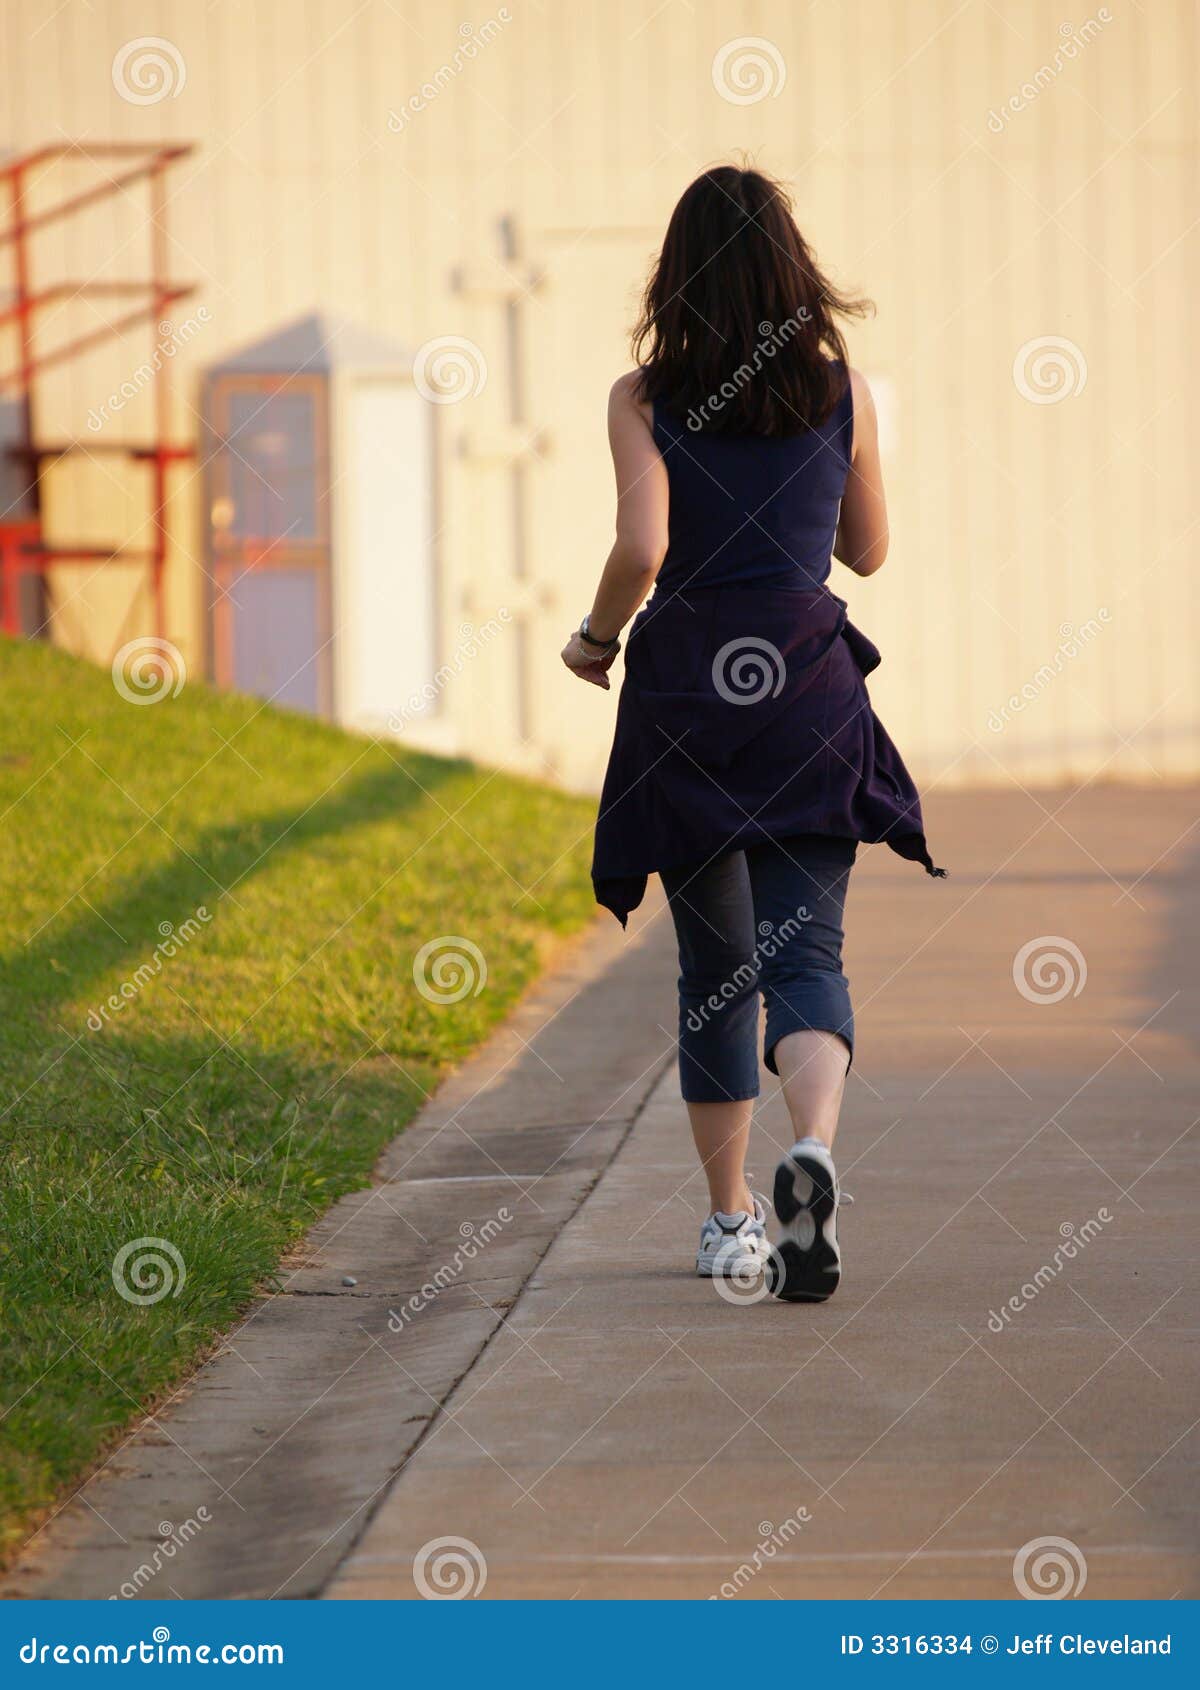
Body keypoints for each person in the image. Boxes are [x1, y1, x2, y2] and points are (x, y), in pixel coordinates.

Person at [561, 165, 943, 1303]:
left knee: (716, 973)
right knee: (806, 957)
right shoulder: (843, 391)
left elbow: (643, 547)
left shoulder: (643, 397)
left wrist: (593, 638)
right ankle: (812, 1148)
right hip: (807, 691)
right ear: (793, 271)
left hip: (689, 697)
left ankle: (731, 1224)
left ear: (675, 277)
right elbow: (867, 553)